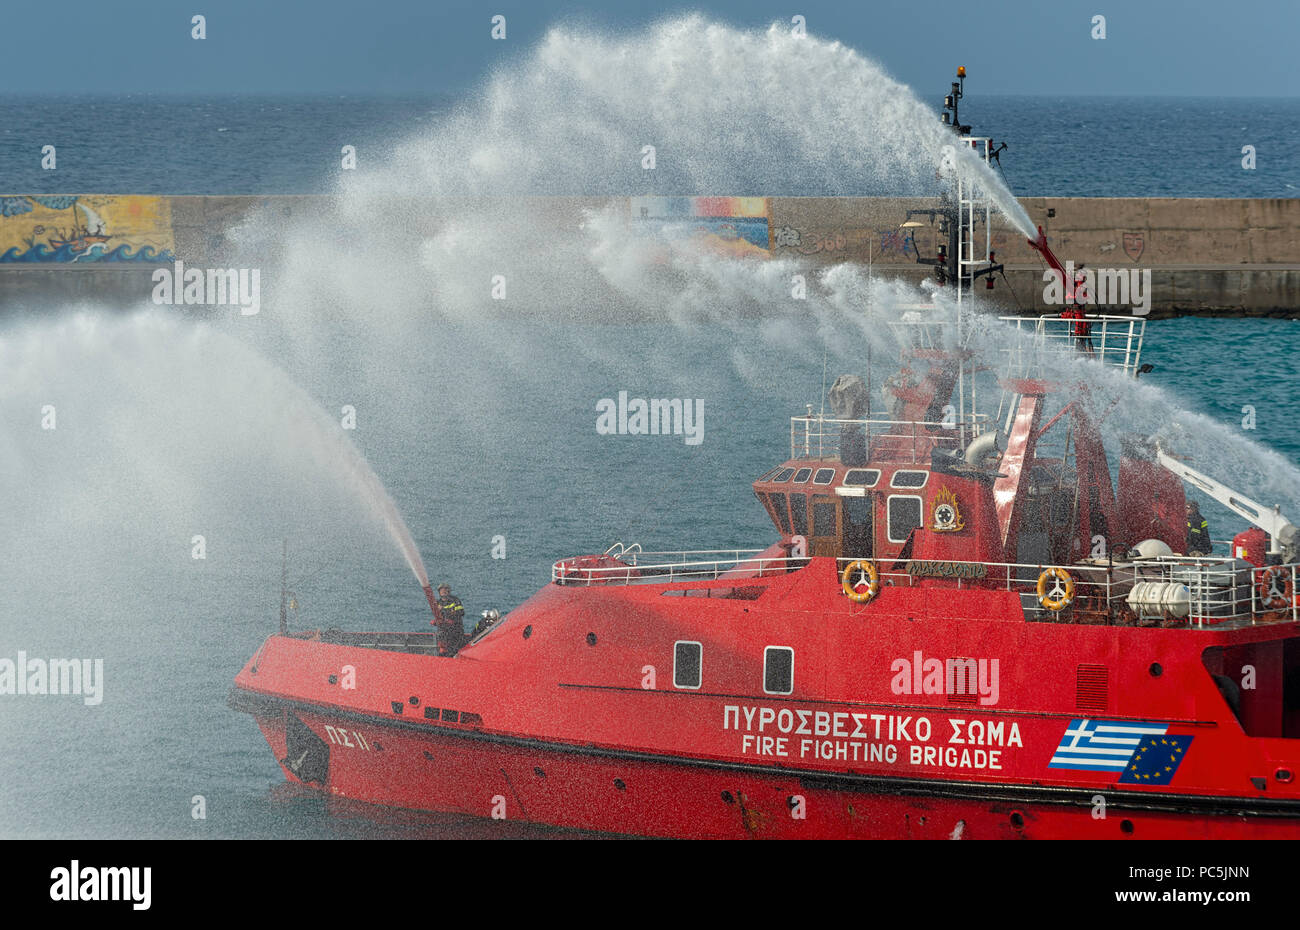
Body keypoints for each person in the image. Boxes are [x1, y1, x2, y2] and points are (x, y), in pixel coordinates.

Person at [432, 583, 466, 656]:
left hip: (456, 631)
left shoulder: (455, 600)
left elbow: (461, 612)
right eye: (441, 589)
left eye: (445, 589)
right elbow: (437, 616)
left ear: (449, 591)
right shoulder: (438, 603)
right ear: (439, 592)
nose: (443, 591)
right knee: (443, 652)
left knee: (454, 652)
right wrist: (436, 621)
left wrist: (445, 611)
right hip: (444, 633)